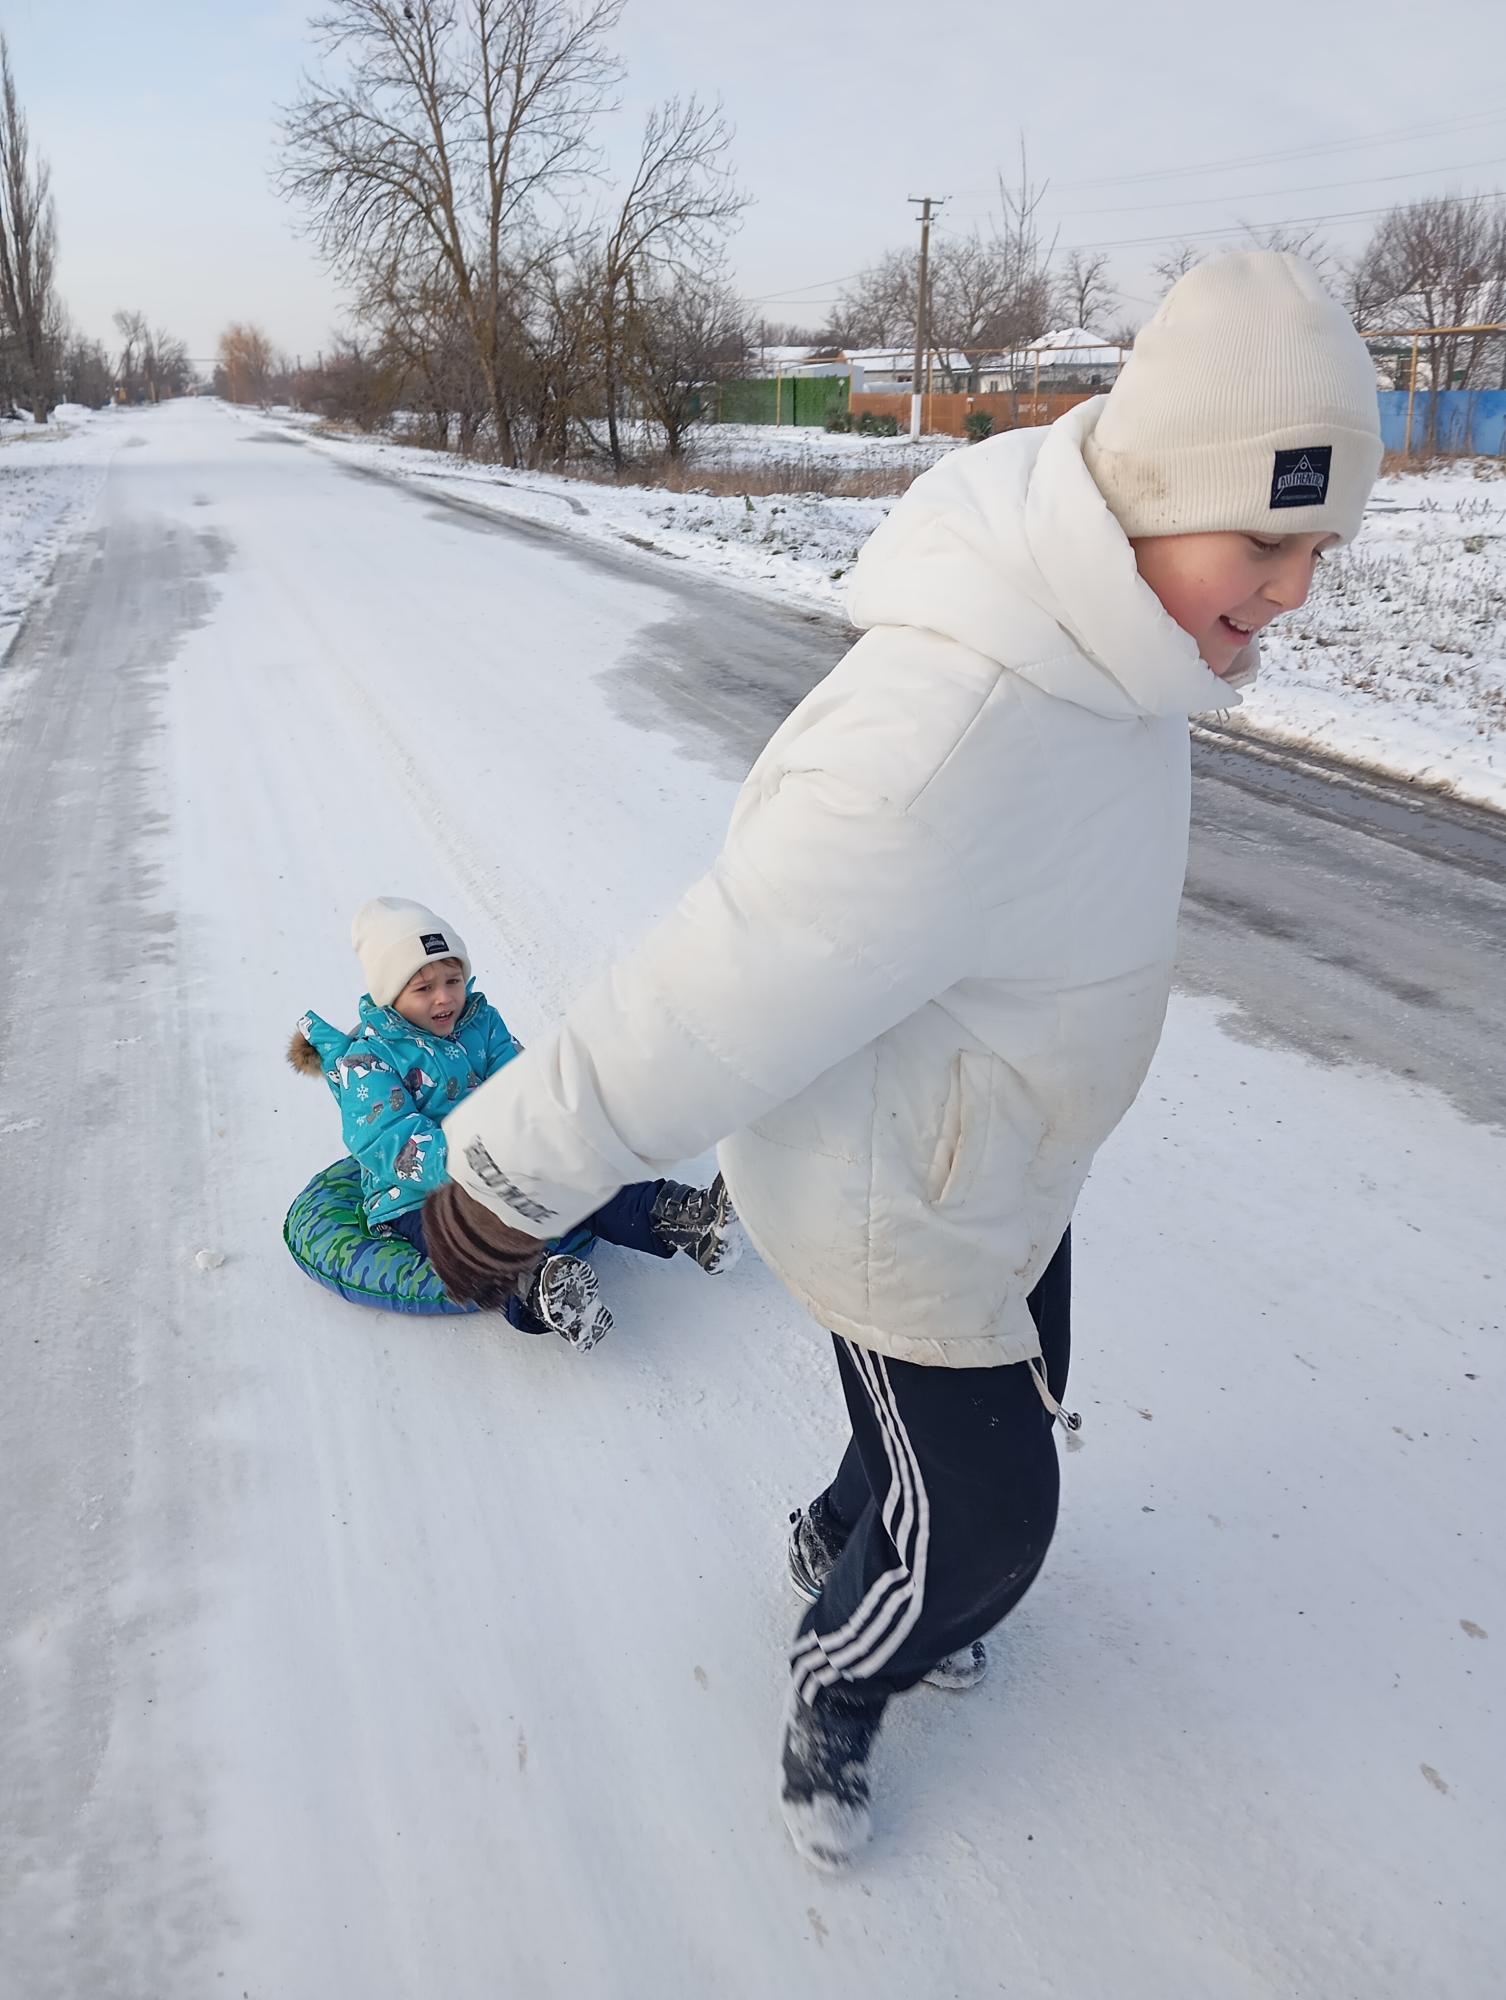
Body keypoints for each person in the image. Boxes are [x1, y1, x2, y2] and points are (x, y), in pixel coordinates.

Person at [419, 254, 1383, 1867]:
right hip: (899, 1195)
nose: (1292, 593)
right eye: (1268, 540)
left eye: (1319, 551)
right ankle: (841, 1678)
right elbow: (713, 989)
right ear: (1148, 499)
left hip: (998, 1152)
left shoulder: (1125, 648)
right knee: (993, 1527)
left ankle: (834, 1542)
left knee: (964, 1431)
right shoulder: (964, 725)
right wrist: (511, 1182)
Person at [288, 897, 742, 1345]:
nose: (445, 997)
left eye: (453, 979)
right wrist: (472, 1165)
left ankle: (682, 1219)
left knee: (582, 1175)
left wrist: (549, 1127)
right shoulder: (366, 1062)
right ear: (391, 995)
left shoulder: (479, 1022)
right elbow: (391, 1141)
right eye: (423, 988)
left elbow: (518, 1082)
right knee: (466, 1240)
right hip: (418, 1192)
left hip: (500, 1157)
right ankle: (542, 1291)